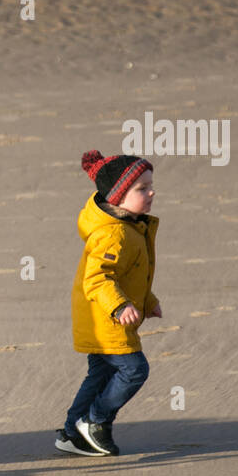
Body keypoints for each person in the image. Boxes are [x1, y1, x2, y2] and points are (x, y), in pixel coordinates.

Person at [56, 150, 160, 457]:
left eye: (150, 185)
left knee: (100, 374)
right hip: (106, 320)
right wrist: (118, 306)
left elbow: (132, 276)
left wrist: (148, 301)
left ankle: (72, 432)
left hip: (102, 317)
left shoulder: (131, 227)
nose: (151, 192)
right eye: (141, 189)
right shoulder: (114, 235)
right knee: (134, 370)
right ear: (117, 197)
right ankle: (96, 421)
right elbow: (97, 278)